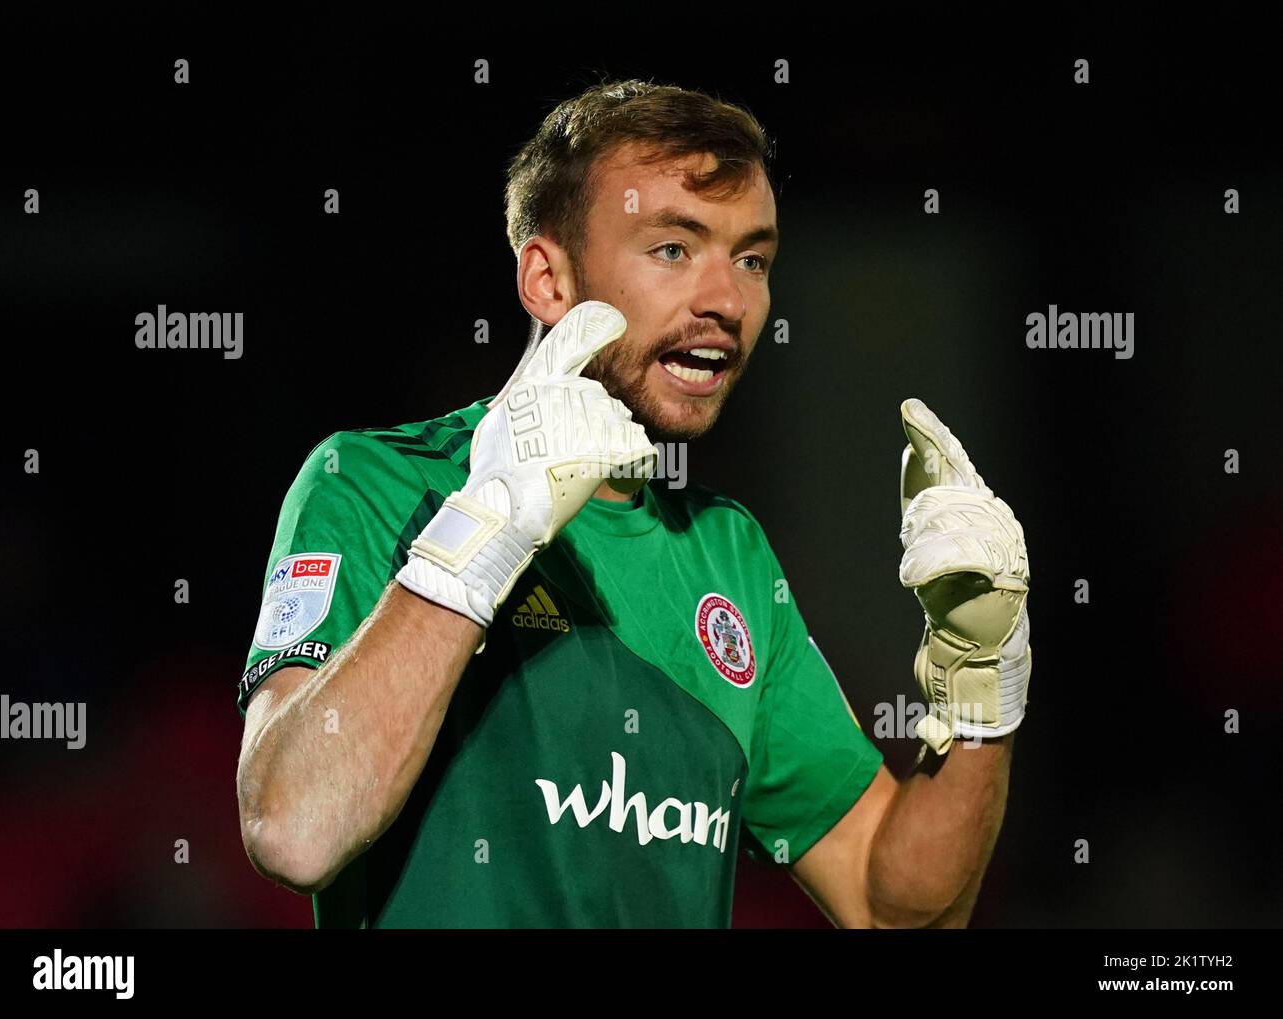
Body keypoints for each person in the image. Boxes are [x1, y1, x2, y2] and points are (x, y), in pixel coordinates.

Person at [235, 79, 1032, 928]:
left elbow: (893, 904)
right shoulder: (374, 482)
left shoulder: (727, 554)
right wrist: (487, 527)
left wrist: (981, 680)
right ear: (546, 278)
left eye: (752, 259)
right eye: (673, 249)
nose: (726, 300)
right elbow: (291, 829)